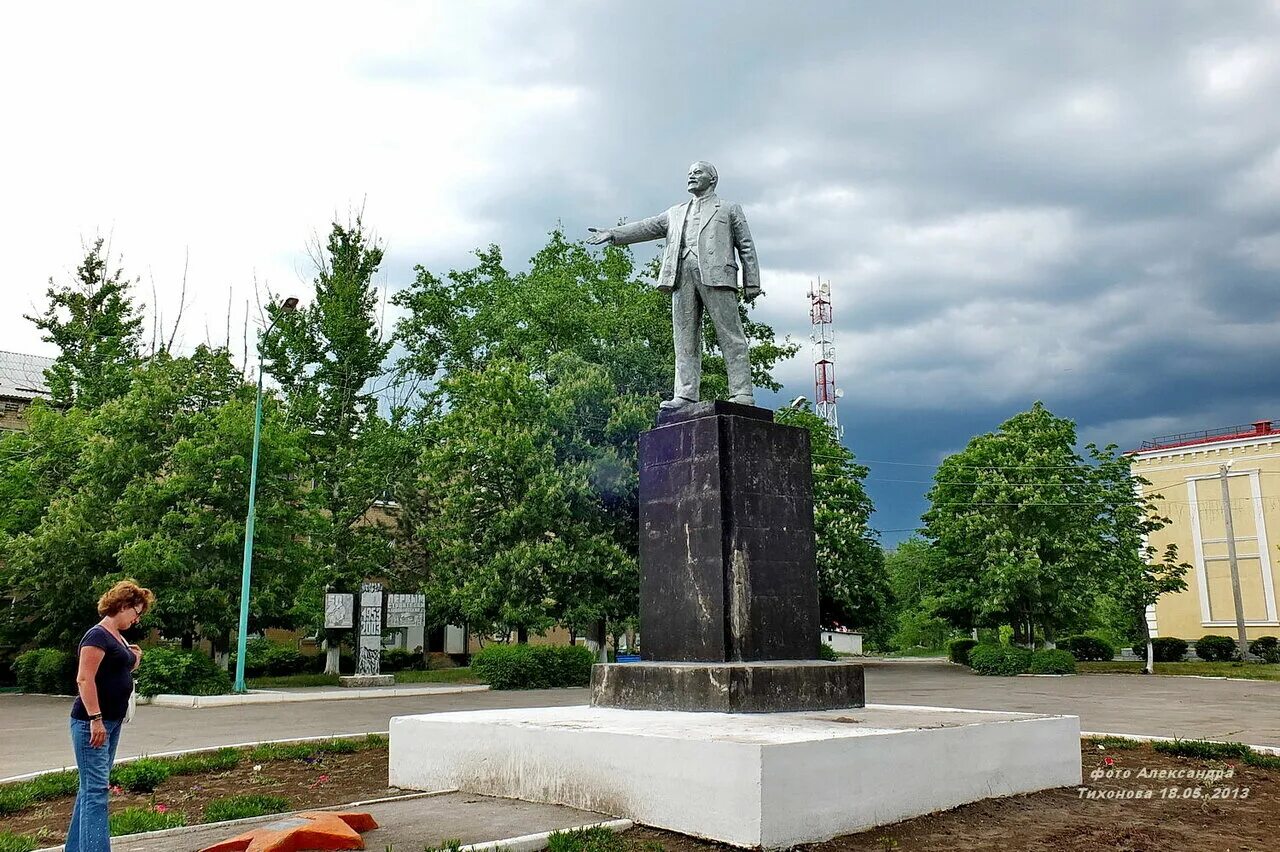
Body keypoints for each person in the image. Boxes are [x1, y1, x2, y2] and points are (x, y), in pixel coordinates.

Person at [587, 160, 761, 410]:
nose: (691, 176)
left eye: (697, 172)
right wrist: (613, 233)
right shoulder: (675, 212)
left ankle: (742, 392)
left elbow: (746, 245)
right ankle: (685, 394)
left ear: (712, 179)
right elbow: (647, 227)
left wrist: (751, 281)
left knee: (730, 334)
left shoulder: (729, 209)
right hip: (681, 276)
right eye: (689, 173)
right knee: (684, 338)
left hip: (718, 275)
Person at [66, 579, 154, 852]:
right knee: (97, 791)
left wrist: (133, 657)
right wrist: (95, 718)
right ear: (124, 605)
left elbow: (122, 666)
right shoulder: (97, 636)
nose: (137, 619)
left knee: (90, 788)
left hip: (111, 722)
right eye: (136, 613)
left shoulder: (118, 637)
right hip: (91, 724)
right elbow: (84, 679)